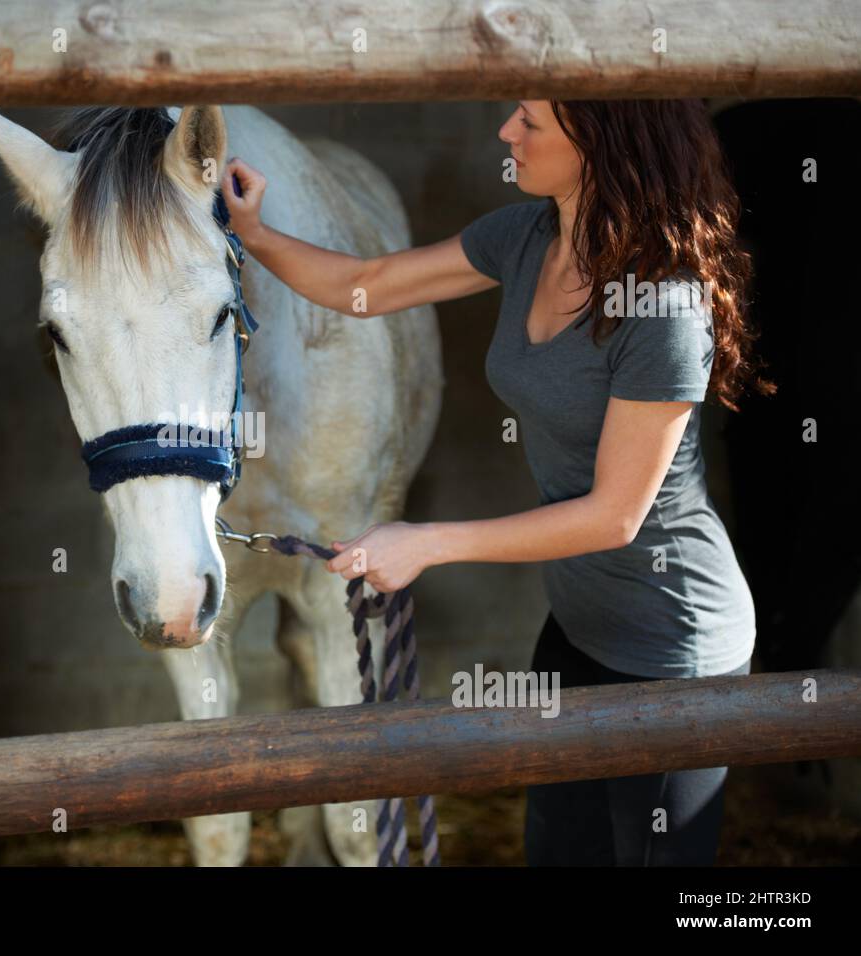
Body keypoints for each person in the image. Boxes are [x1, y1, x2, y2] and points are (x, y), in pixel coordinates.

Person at [219, 99, 774, 866]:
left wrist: (425, 544)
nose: (506, 132)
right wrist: (253, 233)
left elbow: (614, 517)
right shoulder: (522, 238)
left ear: (600, 141)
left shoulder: (665, 306)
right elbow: (367, 285)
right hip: (578, 626)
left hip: (673, 646)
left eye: (531, 123)